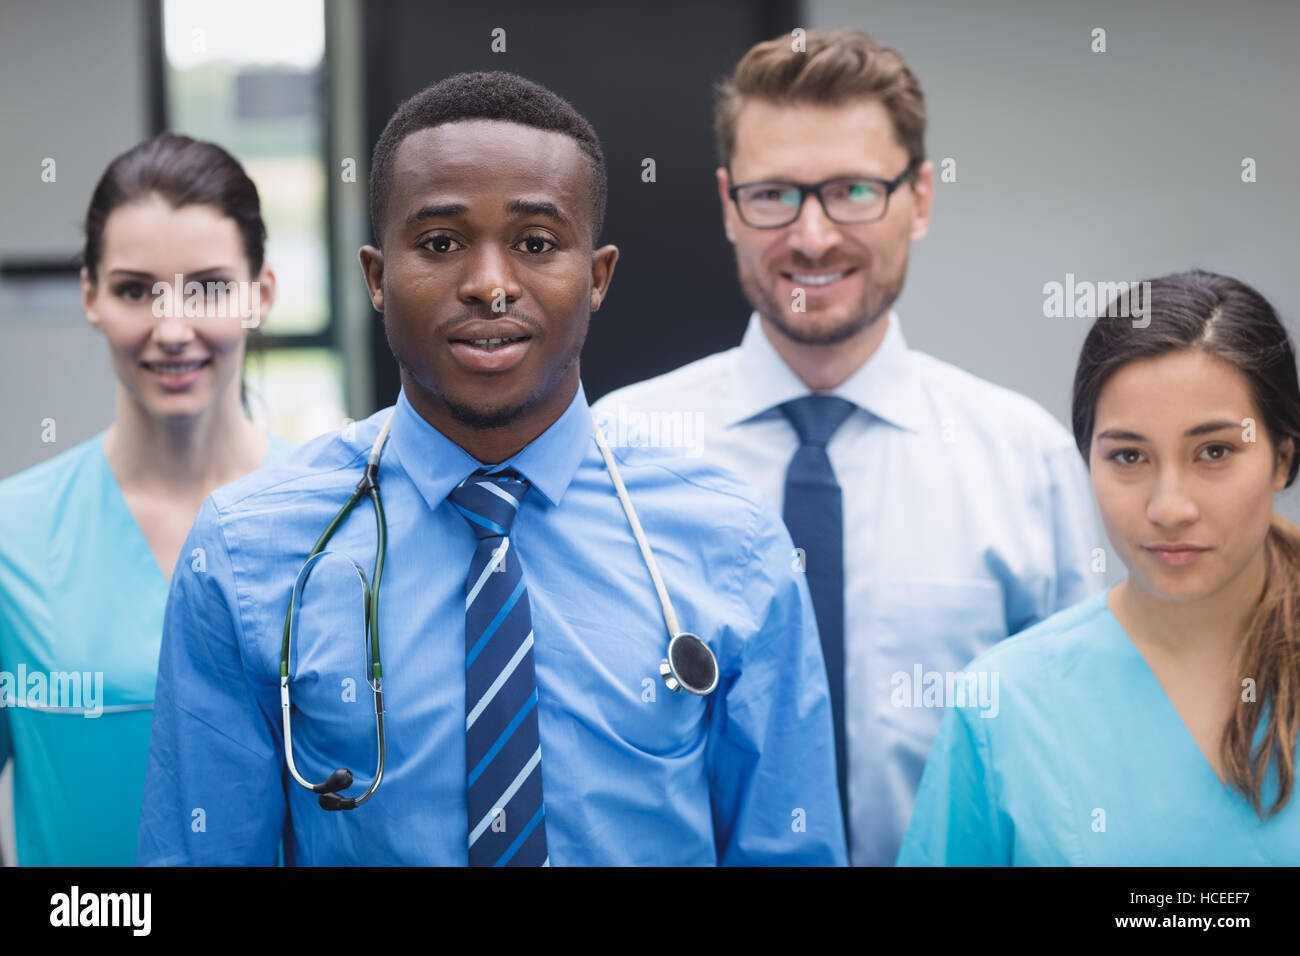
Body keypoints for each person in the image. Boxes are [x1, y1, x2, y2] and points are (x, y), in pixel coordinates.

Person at [135, 71, 846, 866]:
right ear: (376, 277)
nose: (489, 286)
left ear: (598, 276)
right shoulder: (247, 552)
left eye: (536, 244)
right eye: (439, 244)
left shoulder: (733, 543)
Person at [592, 28, 1100, 865]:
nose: (814, 236)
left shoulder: (1027, 461)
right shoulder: (620, 451)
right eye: (774, 195)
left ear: (922, 198)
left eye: (854, 190)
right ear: (728, 203)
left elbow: (1072, 761)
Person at [898, 270, 1300, 864]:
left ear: (1282, 460)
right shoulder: (1005, 704)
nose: (1169, 508)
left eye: (1214, 452)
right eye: (1128, 456)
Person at [0, 133, 294, 866]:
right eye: (135, 289)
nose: (172, 328)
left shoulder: (336, 524)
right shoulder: (14, 538)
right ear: (91, 296)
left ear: (260, 295)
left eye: (208, 288)